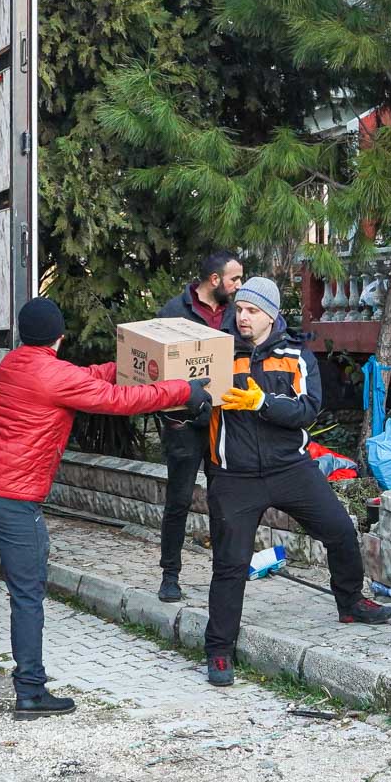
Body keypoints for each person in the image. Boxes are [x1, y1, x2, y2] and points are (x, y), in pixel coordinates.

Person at [0, 297, 210, 719]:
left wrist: (122, 366)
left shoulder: (12, 364)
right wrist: (184, 391)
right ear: (60, 337)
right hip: (14, 499)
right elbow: (117, 400)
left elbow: (84, 378)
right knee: (27, 595)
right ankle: (30, 691)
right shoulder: (55, 376)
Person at [202, 277, 391, 688]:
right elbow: (193, 404)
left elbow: (307, 410)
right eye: (239, 309)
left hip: (290, 468)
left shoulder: (296, 356)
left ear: (271, 315)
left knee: (340, 530)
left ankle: (350, 602)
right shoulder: (218, 353)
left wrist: (262, 402)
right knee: (230, 564)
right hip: (234, 476)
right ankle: (218, 650)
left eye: (252, 311)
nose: (243, 317)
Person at [153, 249, 243, 602]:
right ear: (214, 279)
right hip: (184, 425)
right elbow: (156, 370)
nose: (239, 285)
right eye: (234, 279)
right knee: (178, 501)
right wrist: (168, 413)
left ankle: (225, 575)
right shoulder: (173, 312)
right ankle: (169, 576)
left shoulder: (237, 312)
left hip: (225, 421)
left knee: (224, 502)